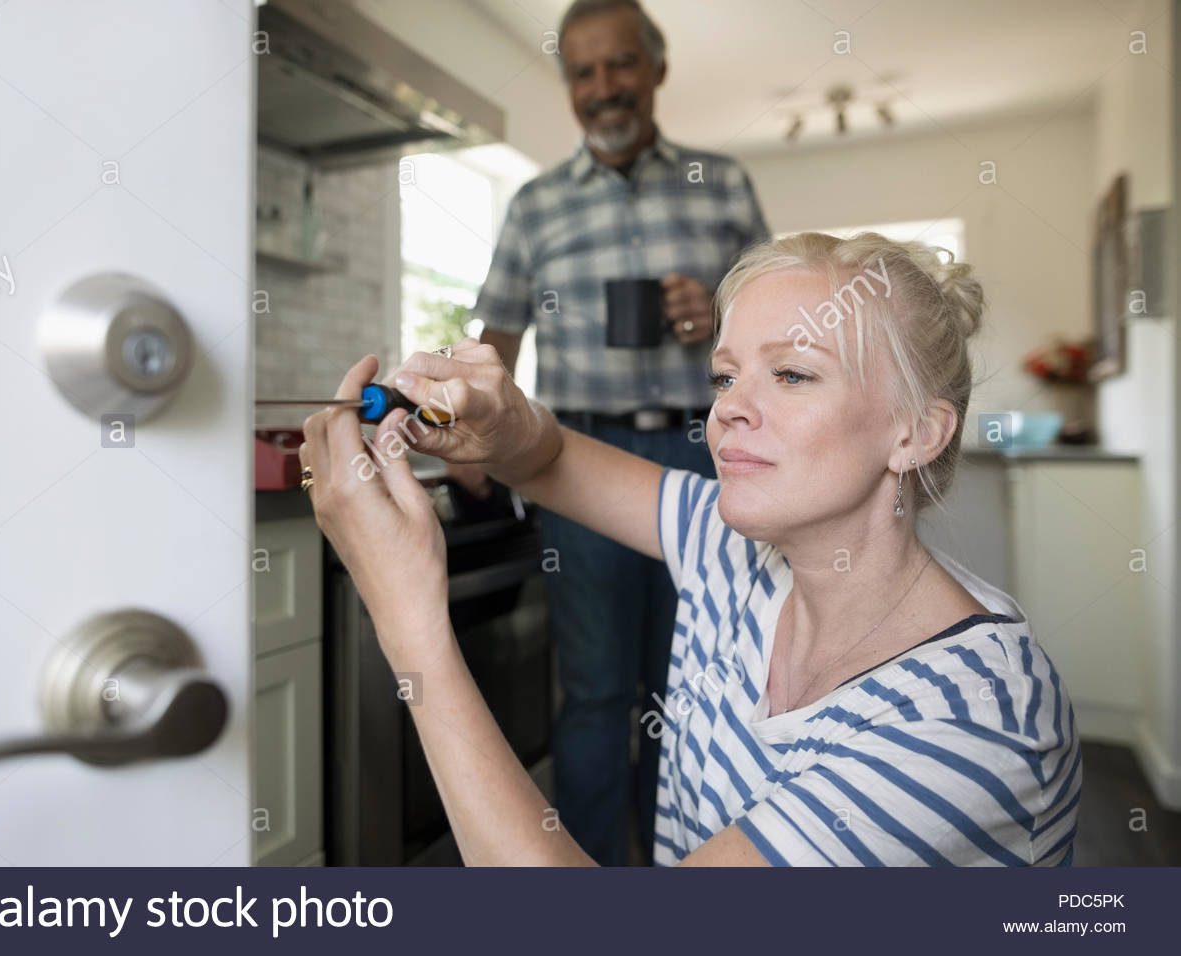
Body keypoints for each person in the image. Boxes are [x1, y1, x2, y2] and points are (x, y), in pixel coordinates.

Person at [299, 231, 1082, 865]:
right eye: (724, 376)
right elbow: (550, 459)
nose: (731, 409)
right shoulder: (730, 546)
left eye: (793, 374)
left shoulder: (969, 720)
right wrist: (500, 421)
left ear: (915, 432)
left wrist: (408, 626)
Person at [451, 0, 770, 865]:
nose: (603, 88)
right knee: (593, 693)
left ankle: (680, 875)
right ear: (568, 86)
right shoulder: (534, 204)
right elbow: (498, 337)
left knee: (695, 688)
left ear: (656, 69)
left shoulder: (725, 183)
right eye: (582, 72)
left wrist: (722, 313)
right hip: (575, 460)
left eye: (620, 65)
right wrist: (476, 426)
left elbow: (783, 330)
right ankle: (585, 890)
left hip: (706, 459)